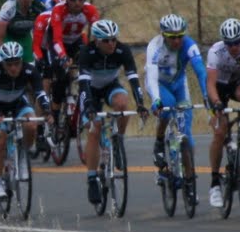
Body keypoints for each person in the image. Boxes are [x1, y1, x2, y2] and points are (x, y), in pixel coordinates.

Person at [75, 18, 146, 204]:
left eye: (114, 39)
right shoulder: (86, 52)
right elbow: (83, 84)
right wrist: (89, 106)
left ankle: (117, 141)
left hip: (109, 87)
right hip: (90, 91)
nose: (111, 43)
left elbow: (133, 78)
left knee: (122, 104)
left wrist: (140, 103)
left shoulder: (122, 50)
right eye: (106, 40)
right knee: (94, 128)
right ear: (97, 41)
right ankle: (91, 179)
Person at [143, 13, 208, 205]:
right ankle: (159, 141)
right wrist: (155, 100)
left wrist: (206, 96)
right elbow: (152, 77)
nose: (177, 40)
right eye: (173, 37)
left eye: (180, 36)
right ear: (164, 35)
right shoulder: (154, 47)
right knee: (166, 108)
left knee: (186, 136)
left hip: (179, 84)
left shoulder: (189, 45)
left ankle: (189, 182)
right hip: (160, 86)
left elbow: (200, 71)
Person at [203, 18, 240, 209]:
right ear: (224, 43)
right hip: (217, 89)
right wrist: (218, 103)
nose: (234, 47)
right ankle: (214, 184)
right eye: (230, 44)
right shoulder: (215, 52)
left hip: (236, 82)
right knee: (220, 133)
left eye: (237, 42)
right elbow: (210, 84)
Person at [0, 43, 49, 201]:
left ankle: (23, 155)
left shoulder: (29, 70)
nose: (14, 68)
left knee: (32, 124)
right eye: (9, 64)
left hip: (18, 103)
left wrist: (47, 111)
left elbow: (40, 93)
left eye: (17, 63)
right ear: (3, 63)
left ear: (22, 61)